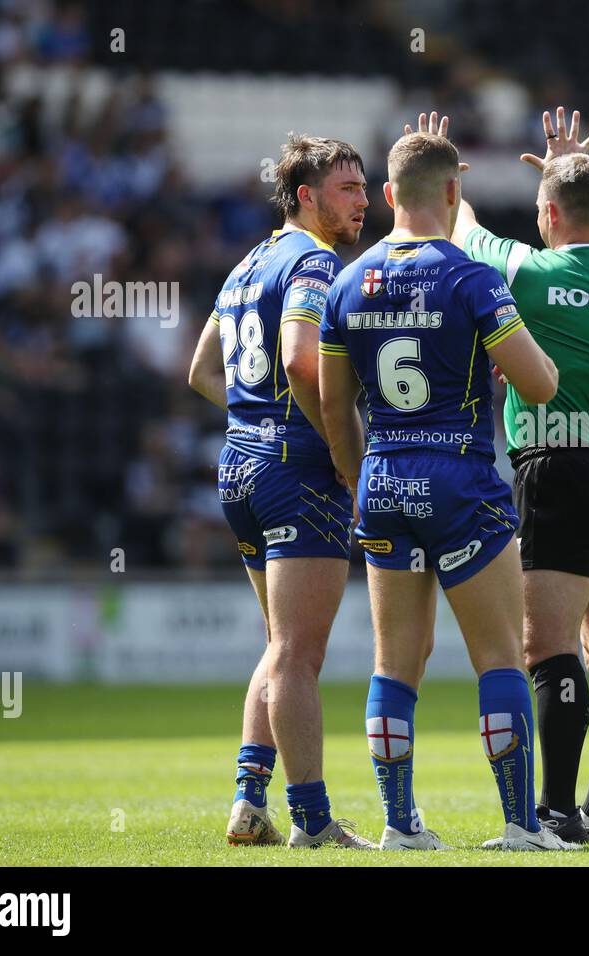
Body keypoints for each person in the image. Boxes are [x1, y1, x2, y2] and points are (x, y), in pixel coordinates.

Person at [317, 112, 575, 850]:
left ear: (390, 194)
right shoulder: (472, 276)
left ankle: (400, 826)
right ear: (456, 191)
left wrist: (354, 466)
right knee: (499, 656)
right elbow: (541, 385)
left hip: (383, 477)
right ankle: (522, 826)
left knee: (396, 663)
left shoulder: (346, 282)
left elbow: (335, 408)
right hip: (460, 478)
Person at [453, 108, 589, 843]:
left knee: (549, 646)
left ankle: (553, 812)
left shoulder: (526, 270)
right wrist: (568, 169)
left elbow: (455, 221)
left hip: (558, 470)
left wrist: (445, 170)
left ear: (546, 213)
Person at [187, 133, 374, 848]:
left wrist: (253, 418)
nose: (363, 201)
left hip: (239, 467)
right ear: (306, 195)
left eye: (363, 188)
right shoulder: (315, 261)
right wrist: (343, 455)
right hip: (296, 473)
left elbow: (204, 371)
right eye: (349, 189)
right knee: (299, 654)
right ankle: (316, 821)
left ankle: (248, 801)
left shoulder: (248, 262)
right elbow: (300, 360)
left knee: (278, 646)